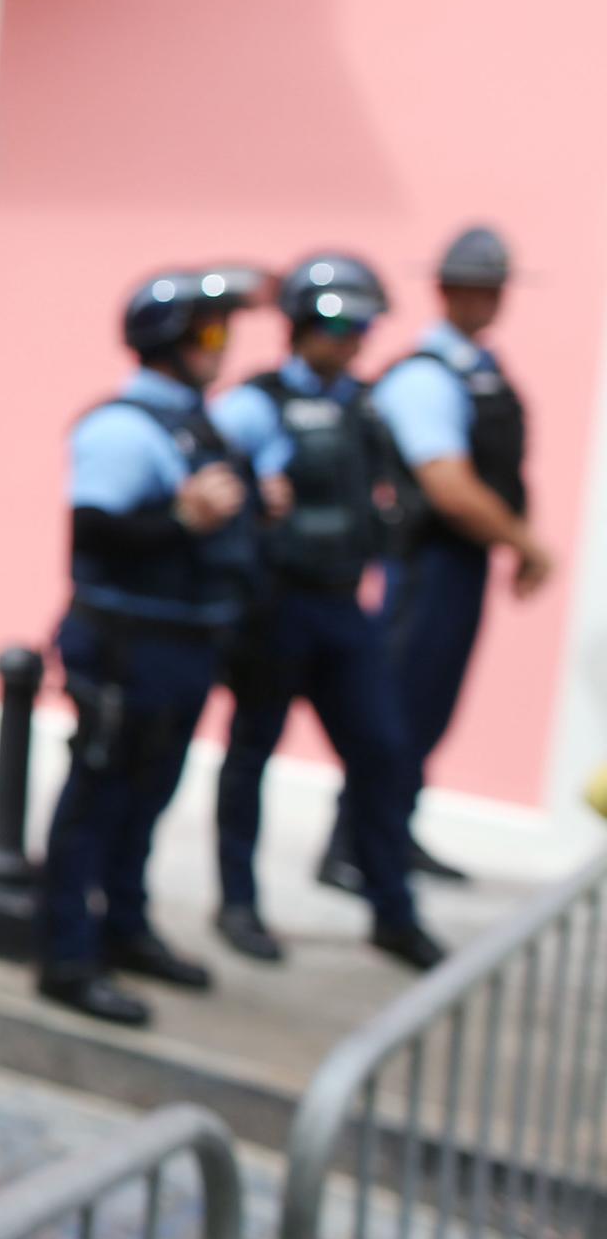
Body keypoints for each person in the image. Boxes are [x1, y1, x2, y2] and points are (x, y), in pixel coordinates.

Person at [34, 267, 263, 1028]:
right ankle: (67, 954)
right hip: (126, 645)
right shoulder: (123, 428)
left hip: (186, 641)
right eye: (209, 331)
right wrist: (183, 519)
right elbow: (94, 531)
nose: (222, 346)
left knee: (150, 796)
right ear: (167, 340)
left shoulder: (199, 423)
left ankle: (125, 927)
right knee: (98, 798)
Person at [205, 253, 445, 971]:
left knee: (383, 751)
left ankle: (392, 909)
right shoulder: (255, 405)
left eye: (363, 328)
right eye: (340, 326)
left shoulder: (368, 406)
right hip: (276, 608)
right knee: (251, 754)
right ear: (302, 325)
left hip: (345, 607)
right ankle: (238, 902)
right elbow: (215, 492)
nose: (352, 342)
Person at [322, 224, 550, 894]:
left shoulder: (479, 370)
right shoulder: (426, 377)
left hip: (462, 563)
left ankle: (392, 828)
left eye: (494, 287)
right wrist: (526, 543)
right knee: (397, 704)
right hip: (427, 564)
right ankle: (354, 843)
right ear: (448, 290)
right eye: (476, 286)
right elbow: (449, 485)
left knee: (429, 706)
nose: (488, 299)